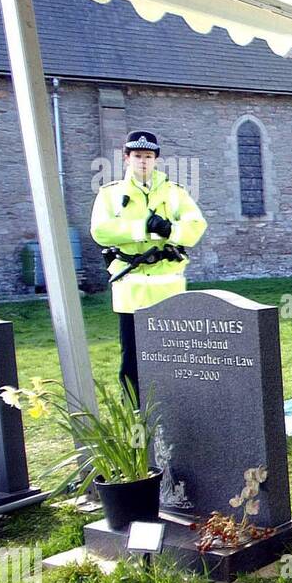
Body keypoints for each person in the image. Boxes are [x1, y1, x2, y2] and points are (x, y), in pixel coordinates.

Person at [91, 131, 206, 396]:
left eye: (148, 156)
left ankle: (177, 408)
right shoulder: (110, 194)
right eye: (138, 156)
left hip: (168, 287)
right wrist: (142, 228)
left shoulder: (174, 193)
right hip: (131, 288)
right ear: (127, 158)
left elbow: (196, 227)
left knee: (176, 358)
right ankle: (135, 414)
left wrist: (170, 230)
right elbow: (100, 231)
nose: (143, 161)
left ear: (156, 160)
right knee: (131, 359)